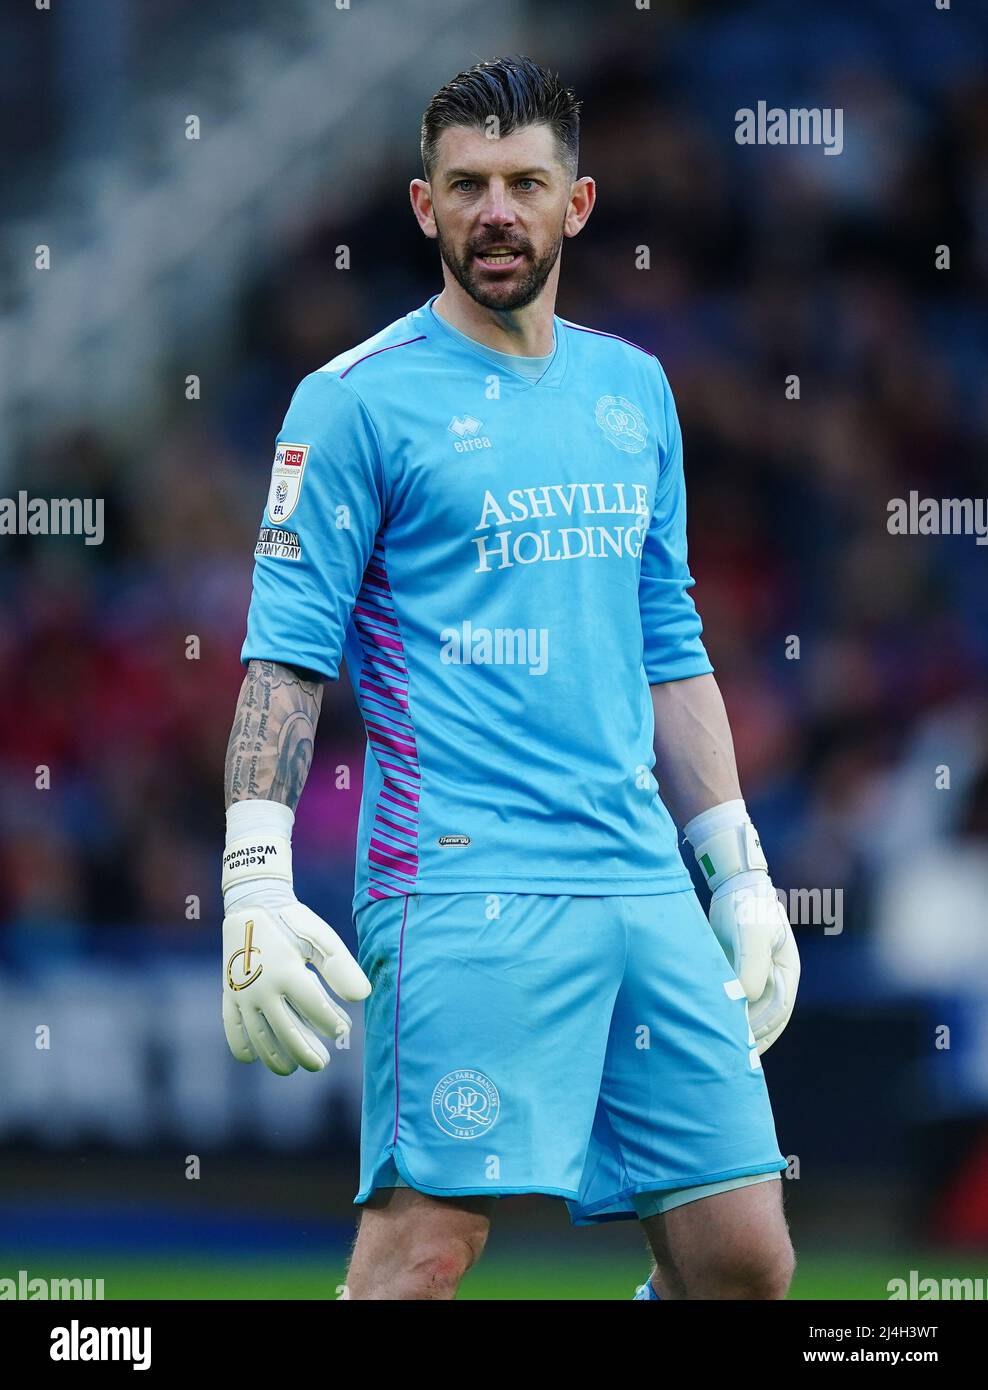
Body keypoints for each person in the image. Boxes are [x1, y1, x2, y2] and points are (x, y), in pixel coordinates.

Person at [221, 56, 799, 1301]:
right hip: (462, 876)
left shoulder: (633, 390)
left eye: (524, 183)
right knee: (424, 1253)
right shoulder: (351, 404)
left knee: (742, 1262)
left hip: (638, 874)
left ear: (574, 205)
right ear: (423, 207)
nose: (497, 210)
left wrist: (737, 869)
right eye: (467, 185)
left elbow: (671, 650)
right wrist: (253, 877)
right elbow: (284, 660)